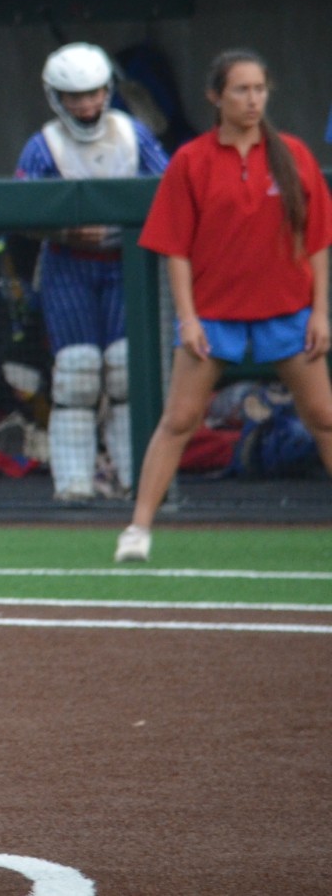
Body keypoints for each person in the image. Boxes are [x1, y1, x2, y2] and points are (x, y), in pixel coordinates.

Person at [117, 51, 332, 563]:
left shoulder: (295, 154)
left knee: (324, 416)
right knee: (179, 419)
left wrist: (321, 312)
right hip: (213, 318)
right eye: (241, 89)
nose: (253, 99)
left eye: (260, 88)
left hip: (289, 312)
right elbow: (176, 249)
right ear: (216, 97)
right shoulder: (190, 161)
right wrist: (188, 318)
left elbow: (319, 239)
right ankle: (138, 530)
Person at [14, 43, 169, 503]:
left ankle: (136, 478)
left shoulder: (133, 135)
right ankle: (74, 482)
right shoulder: (43, 145)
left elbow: (169, 191)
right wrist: (62, 230)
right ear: (55, 97)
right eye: (74, 96)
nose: (85, 105)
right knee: (77, 372)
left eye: (94, 93)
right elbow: (22, 212)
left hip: (126, 265)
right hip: (67, 267)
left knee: (126, 370)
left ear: (108, 91)